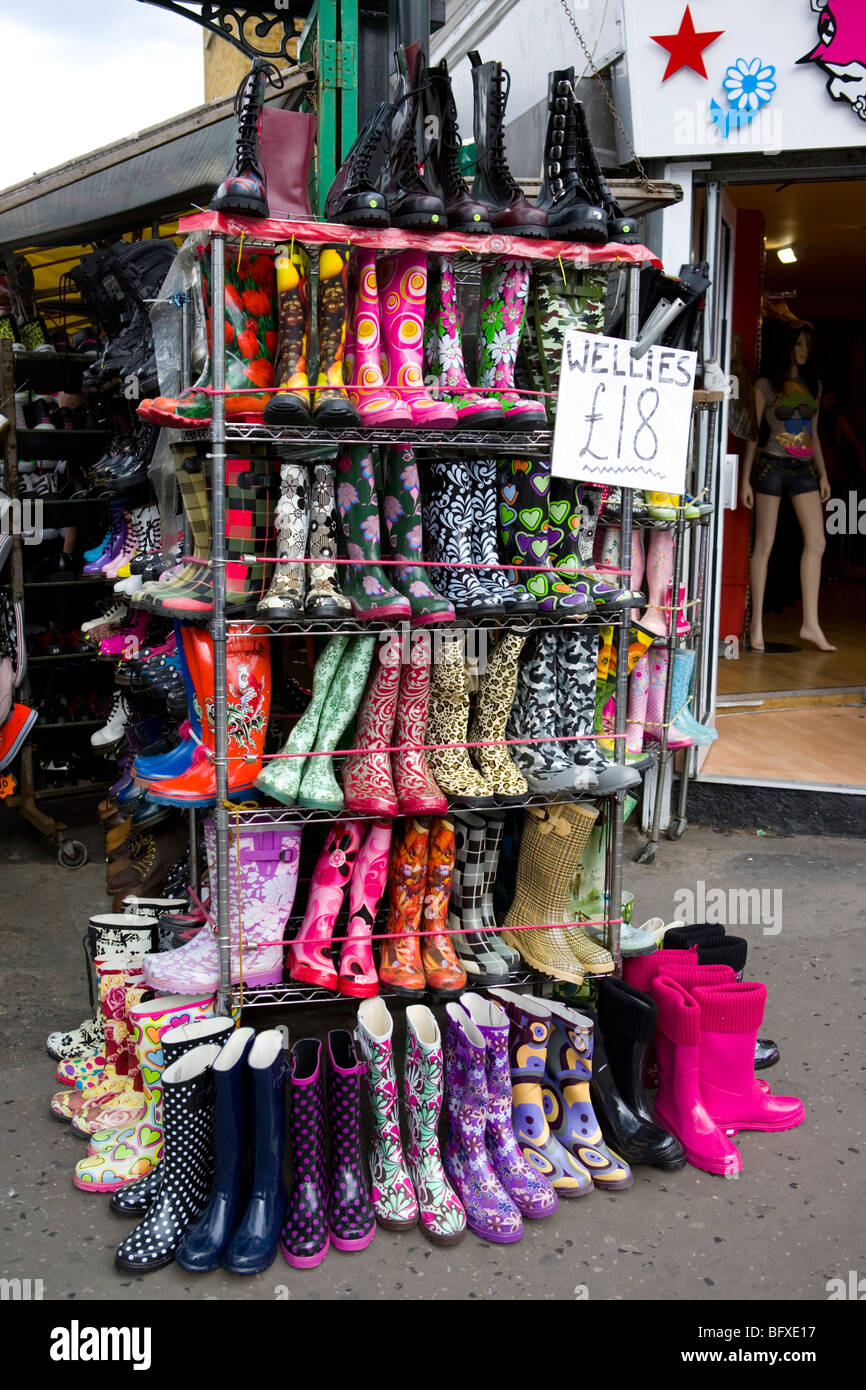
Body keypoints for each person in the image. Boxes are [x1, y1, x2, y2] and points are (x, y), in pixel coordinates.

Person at [739, 325, 834, 652]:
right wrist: (745, 478)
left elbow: (815, 434)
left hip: (804, 468)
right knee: (764, 543)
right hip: (772, 466)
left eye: (808, 344)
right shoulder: (765, 385)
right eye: (798, 344)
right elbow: (754, 433)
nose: (804, 350)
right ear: (787, 347)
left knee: (818, 541)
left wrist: (823, 474)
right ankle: (757, 625)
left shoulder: (813, 386)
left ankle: (811, 623)